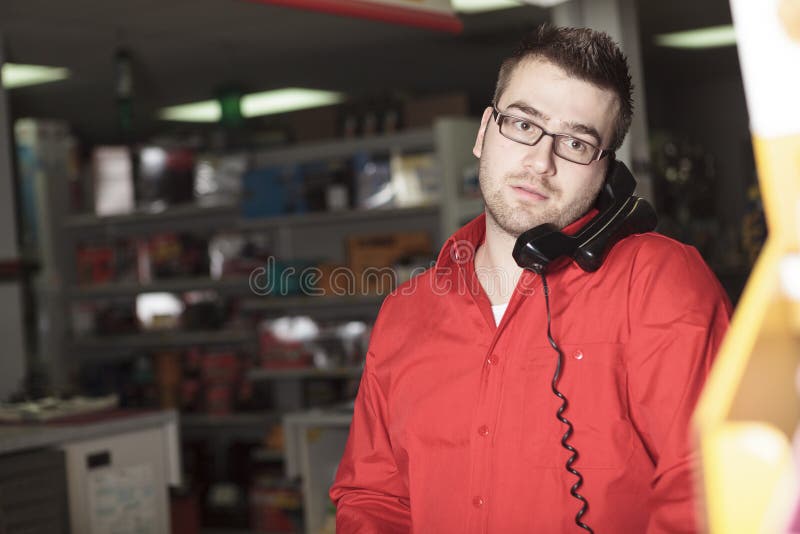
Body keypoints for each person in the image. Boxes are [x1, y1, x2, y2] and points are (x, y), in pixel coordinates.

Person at [330, 24, 731, 533]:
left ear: (608, 174)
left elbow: (708, 487)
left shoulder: (659, 284)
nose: (539, 162)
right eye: (523, 125)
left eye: (576, 143)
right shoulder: (407, 311)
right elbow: (373, 498)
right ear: (482, 133)